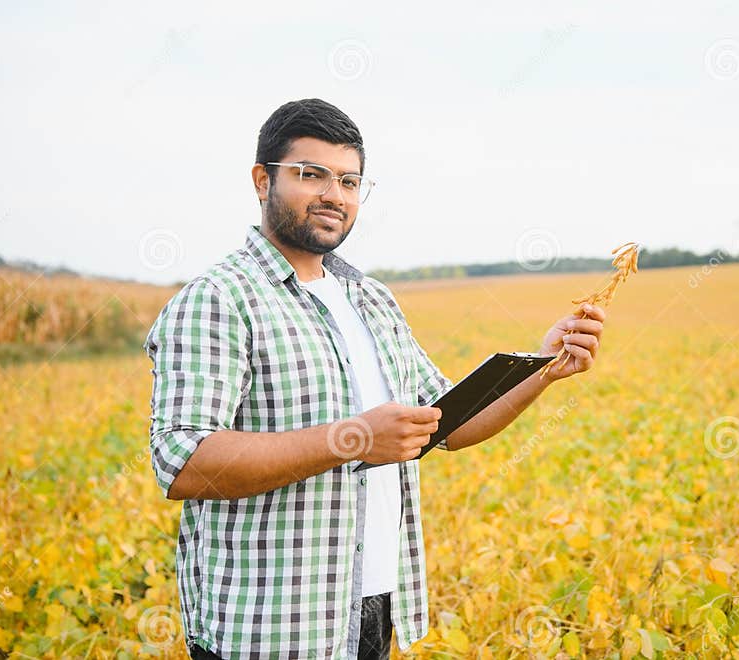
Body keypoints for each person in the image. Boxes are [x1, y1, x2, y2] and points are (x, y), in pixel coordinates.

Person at [143, 98, 606, 659]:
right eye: (310, 175)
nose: (333, 195)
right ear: (262, 180)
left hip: (370, 608)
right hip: (268, 626)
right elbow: (184, 461)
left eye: (349, 180)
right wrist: (355, 438)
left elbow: (446, 423)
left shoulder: (371, 299)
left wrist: (543, 369)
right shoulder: (218, 299)